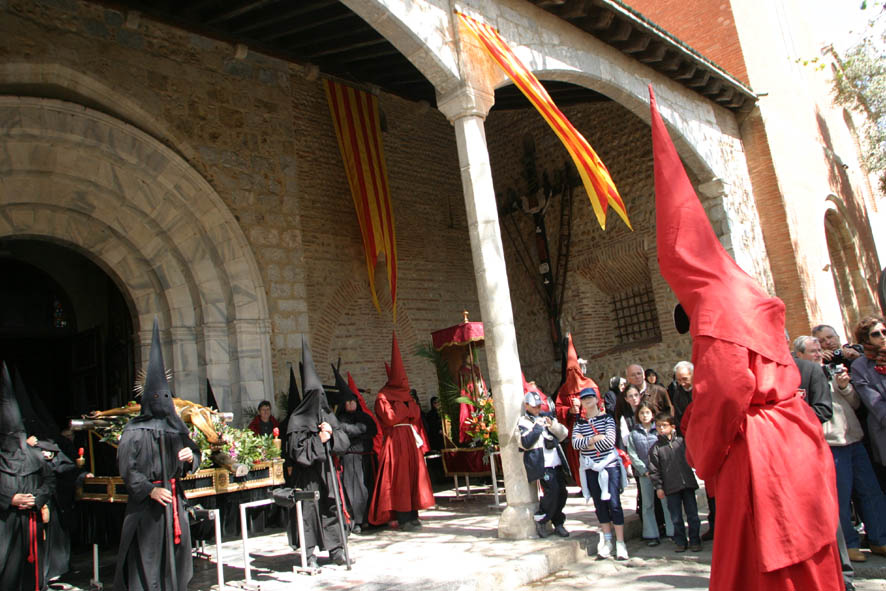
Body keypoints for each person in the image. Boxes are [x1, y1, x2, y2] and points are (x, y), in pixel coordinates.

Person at [649, 86, 842, 589]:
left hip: (759, 450)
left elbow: (727, 390)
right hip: (792, 437)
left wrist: (701, 453)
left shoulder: (713, 303)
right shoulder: (744, 286)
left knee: (761, 566)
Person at [113, 319, 202, 591]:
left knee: (176, 563)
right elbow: (128, 470)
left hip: (175, 501)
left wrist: (191, 457)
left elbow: (195, 455)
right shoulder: (134, 430)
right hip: (147, 507)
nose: (163, 401)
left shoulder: (177, 427)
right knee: (148, 564)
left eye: (167, 396)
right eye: (158, 397)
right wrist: (150, 490)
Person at [796, 332, 886, 562]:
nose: (819, 354)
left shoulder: (834, 371)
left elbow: (856, 404)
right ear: (800, 355)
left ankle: (879, 538)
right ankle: (850, 544)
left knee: (871, 491)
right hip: (830, 444)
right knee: (841, 497)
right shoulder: (801, 376)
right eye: (813, 351)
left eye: (819, 351)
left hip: (853, 439)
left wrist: (845, 387)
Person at [286, 338, 351, 567]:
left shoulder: (329, 416)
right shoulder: (297, 419)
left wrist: (332, 435)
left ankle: (336, 550)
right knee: (309, 513)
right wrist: (319, 439)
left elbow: (344, 442)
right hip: (308, 476)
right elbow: (297, 451)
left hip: (328, 473)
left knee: (331, 507)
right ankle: (310, 554)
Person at [369, 333, 435, 530]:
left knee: (413, 476)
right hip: (395, 441)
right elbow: (390, 418)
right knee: (399, 477)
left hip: (408, 438)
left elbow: (415, 415)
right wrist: (404, 408)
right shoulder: (383, 396)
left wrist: (405, 408)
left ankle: (413, 514)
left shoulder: (406, 395)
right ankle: (403, 517)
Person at [0, 362, 55, 591]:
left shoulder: (36, 456)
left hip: (29, 524)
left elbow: (49, 481)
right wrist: (9, 499)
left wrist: (36, 498)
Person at [572, 388, 628, 560]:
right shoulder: (579, 423)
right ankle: (608, 539)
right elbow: (575, 444)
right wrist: (593, 439)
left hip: (608, 466)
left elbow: (609, 442)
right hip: (591, 468)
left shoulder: (607, 419)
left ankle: (620, 542)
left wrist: (586, 444)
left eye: (590, 398)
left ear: (597, 400)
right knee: (599, 504)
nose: (587, 401)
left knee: (614, 503)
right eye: (584, 399)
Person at [517, 390, 570, 539]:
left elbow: (564, 434)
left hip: (556, 462)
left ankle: (558, 522)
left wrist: (552, 425)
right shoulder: (523, 422)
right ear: (527, 405)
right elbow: (525, 443)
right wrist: (537, 428)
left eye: (539, 406)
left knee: (562, 493)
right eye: (534, 406)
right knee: (551, 493)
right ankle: (542, 519)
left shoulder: (547, 417)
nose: (537, 409)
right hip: (543, 465)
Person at [332, 364, 377, 535]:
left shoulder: (364, 416)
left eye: (353, 401)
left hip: (366, 458)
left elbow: (372, 429)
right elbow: (346, 431)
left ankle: (370, 518)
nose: (352, 404)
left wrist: (357, 431)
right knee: (354, 491)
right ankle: (357, 520)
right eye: (349, 402)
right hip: (350, 459)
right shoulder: (340, 419)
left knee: (368, 488)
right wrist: (360, 431)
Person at [648, 413, 701, 552]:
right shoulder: (655, 449)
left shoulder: (682, 442)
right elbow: (654, 470)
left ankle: (695, 540)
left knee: (693, 515)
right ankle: (680, 541)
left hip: (687, 483)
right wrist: (658, 487)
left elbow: (693, 458)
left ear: (672, 427)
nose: (661, 428)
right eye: (658, 426)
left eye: (664, 425)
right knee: (676, 517)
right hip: (670, 487)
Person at [625, 401, 673, 546]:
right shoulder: (634, 433)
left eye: (647, 412)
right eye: (642, 413)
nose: (645, 415)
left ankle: (672, 532)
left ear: (652, 414)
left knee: (666, 503)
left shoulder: (658, 430)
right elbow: (632, 454)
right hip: (644, 474)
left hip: (660, 473)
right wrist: (643, 470)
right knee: (647, 505)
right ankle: (651, 534)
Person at [850, 316, 886, 507]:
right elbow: (875, 403)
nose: (882, 337)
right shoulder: (860, 367)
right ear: (866, 339)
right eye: (876, 334)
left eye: (884, 331)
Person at [555, 334, 599, 484]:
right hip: (574, 429)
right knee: (576, 458)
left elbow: (598, 405)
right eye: (569, 372)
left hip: (590, 427)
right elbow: (559, 408)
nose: (572, 375)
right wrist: (568, 411)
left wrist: (582, 409)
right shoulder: (563, 390)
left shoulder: (590, 385)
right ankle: (582, 483)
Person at [615, 384, 642, 450]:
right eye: (630, 396)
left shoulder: (647, 412)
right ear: (626, 399)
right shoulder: (624, 418)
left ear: (640, 395)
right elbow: (625, 441)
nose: (634, 398)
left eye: (636, 395)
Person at [670, 361, 693, 435]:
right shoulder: (678, 393)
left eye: (685, 379)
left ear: (692, 375)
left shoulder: (702, 391)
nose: (682, 383)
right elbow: (679, 418)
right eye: (679, 380)